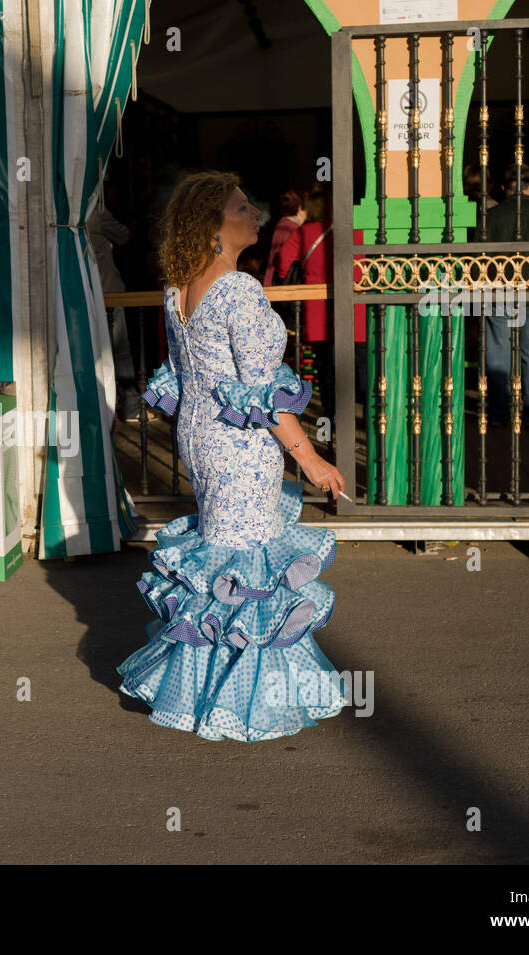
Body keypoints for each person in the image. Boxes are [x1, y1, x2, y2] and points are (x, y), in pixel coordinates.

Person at [117, 170, 348, 742]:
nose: (256, 215)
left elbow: (191, 381)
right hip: (239, 453)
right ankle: (237, 704)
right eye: (242, 208)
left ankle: (206, 690)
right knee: (244, 573)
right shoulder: (238, 290)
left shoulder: (179, 289)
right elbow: (264, 395)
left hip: (199, 444)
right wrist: (310, 459)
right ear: (212, 227)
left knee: (223, 563)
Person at [275, 182, 368, 420]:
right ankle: (370, 418)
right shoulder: (359, 228)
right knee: (362, 364)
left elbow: (283, 265)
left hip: (317, 311)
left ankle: (333, 417)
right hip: (355, 307)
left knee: (327, 367)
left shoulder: (305, 232)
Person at [483, 163, 529, 429]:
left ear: (503, 188)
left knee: (498, 353)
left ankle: (499, 412)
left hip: (497, 290)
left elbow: (479, 257)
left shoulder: (493, 215)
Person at [87, 195, 140, 420]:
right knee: (119, 350)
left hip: (83, 289)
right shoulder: (93, 211)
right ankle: (130, 406)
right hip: (107, 289)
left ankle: (97, 405)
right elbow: (123, 235)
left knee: (92, 348)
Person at [263, 188, 306, 286]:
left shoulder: (282, 225)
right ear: (300, 208)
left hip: (274, 280)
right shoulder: (293, 228)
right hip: (285, 283)